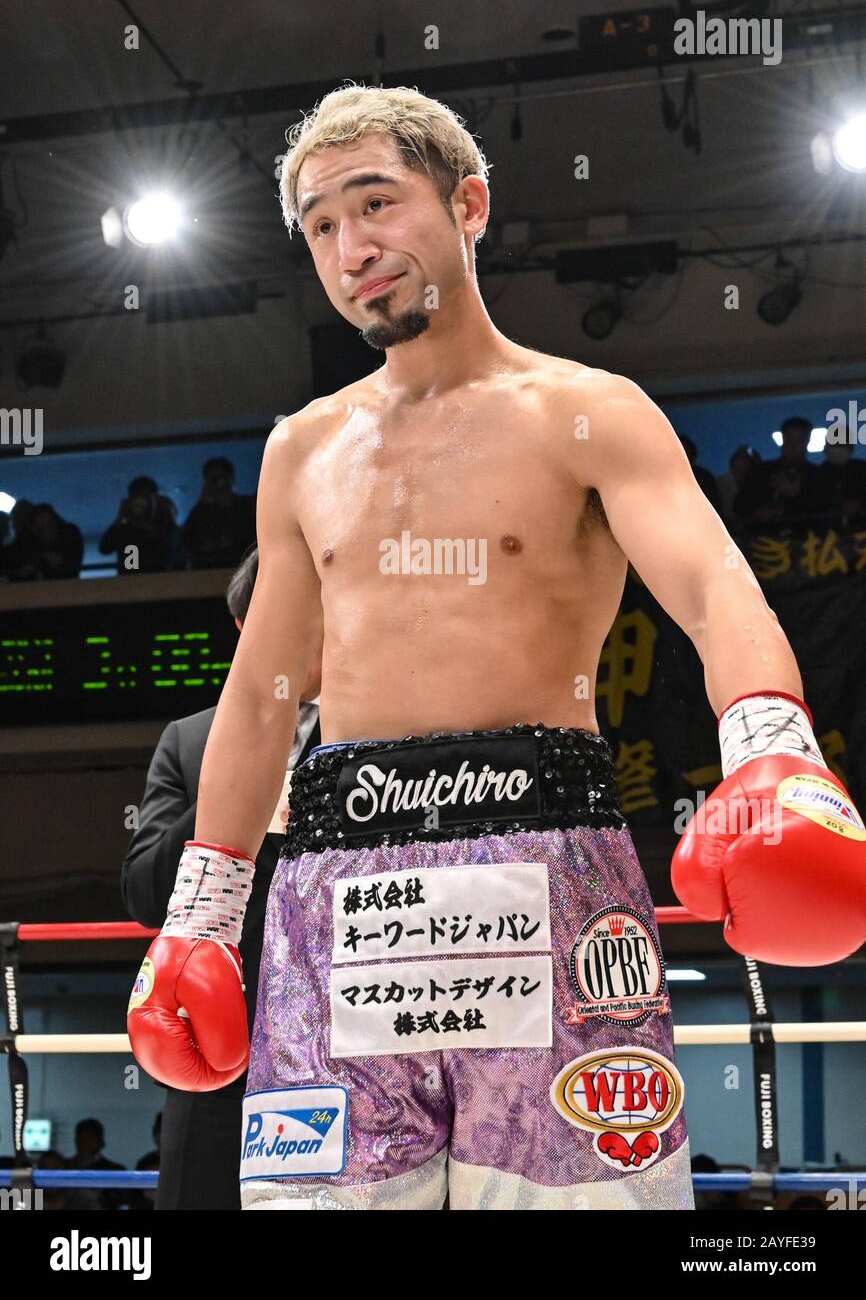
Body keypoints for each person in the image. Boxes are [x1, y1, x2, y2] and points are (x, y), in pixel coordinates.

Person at [128, 85, 866, 1211]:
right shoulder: (300, 450)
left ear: (467, 203)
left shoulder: (587, 410)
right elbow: (263, 693)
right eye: (320, 225)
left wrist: (770, 746)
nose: (350, 246)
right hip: (336, 887)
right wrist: (198, 921)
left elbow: (713, 590)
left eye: (375, 202)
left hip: (548, 869)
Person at [122, 546, 321, 1209]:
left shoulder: (389, 730)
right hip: (221, 1039)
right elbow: (145, 893)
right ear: (245, 629)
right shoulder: (191, 740)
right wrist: (236, 799)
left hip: (353, 1036)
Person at [734, 416, 821, 526]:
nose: (793, 446)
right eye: (789, 440)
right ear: (783, 440)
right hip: (762, 537)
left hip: (806, 538)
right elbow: (740, 505)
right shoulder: (760, 472)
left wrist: (794, 496)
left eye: (799, 441)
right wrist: (757, 512)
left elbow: (824, 509)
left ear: (807, 442)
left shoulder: (819, 476)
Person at [181, 457, 256, 569]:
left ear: (231, 479)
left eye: (223, 478)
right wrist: (202, 502)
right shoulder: (200, 513)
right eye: (213, 479)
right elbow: (187, 543)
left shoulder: (247, 506)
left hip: (245, 568)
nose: (220, 483)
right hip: (209, 571)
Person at [99, 475, 181, 574]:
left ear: (154, 500)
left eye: (145, 497)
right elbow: (105, 548)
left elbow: (173, 547)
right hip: (130, 585)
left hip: (159, 582)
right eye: (136, 498)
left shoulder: (164, 527)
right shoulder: (124, 530)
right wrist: (120, 518)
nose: (140, 503)